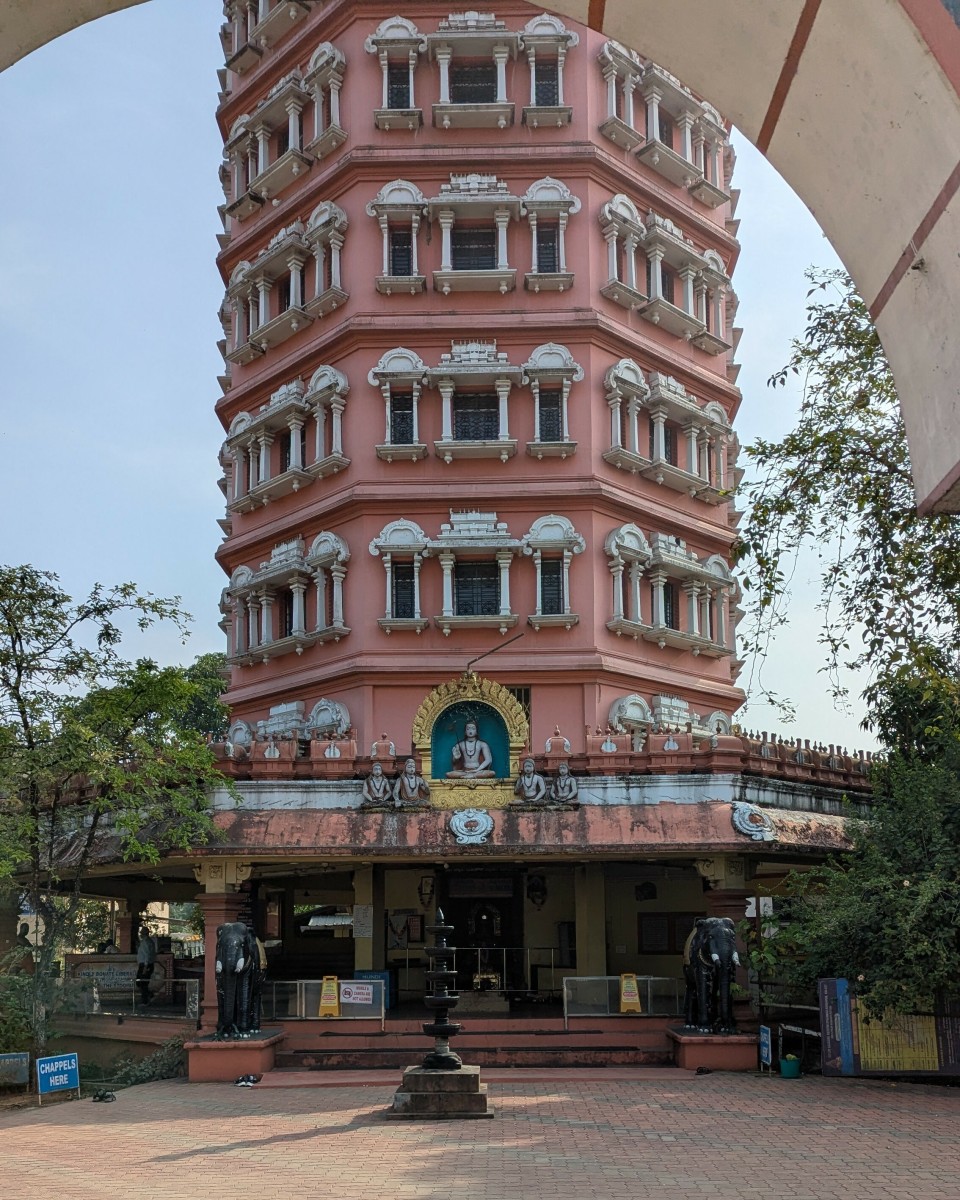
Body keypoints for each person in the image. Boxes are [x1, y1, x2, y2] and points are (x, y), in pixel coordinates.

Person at [136, 926, 157, 1005]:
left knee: (142, 983)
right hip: (147, 965)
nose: (140, 934)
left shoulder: (146, 942)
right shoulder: (149, 941)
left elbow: (147, 955)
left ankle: (145, 1001)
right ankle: (149, 995)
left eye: (141, 933)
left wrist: (145, 966)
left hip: (145, 965)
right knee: (141, 982)